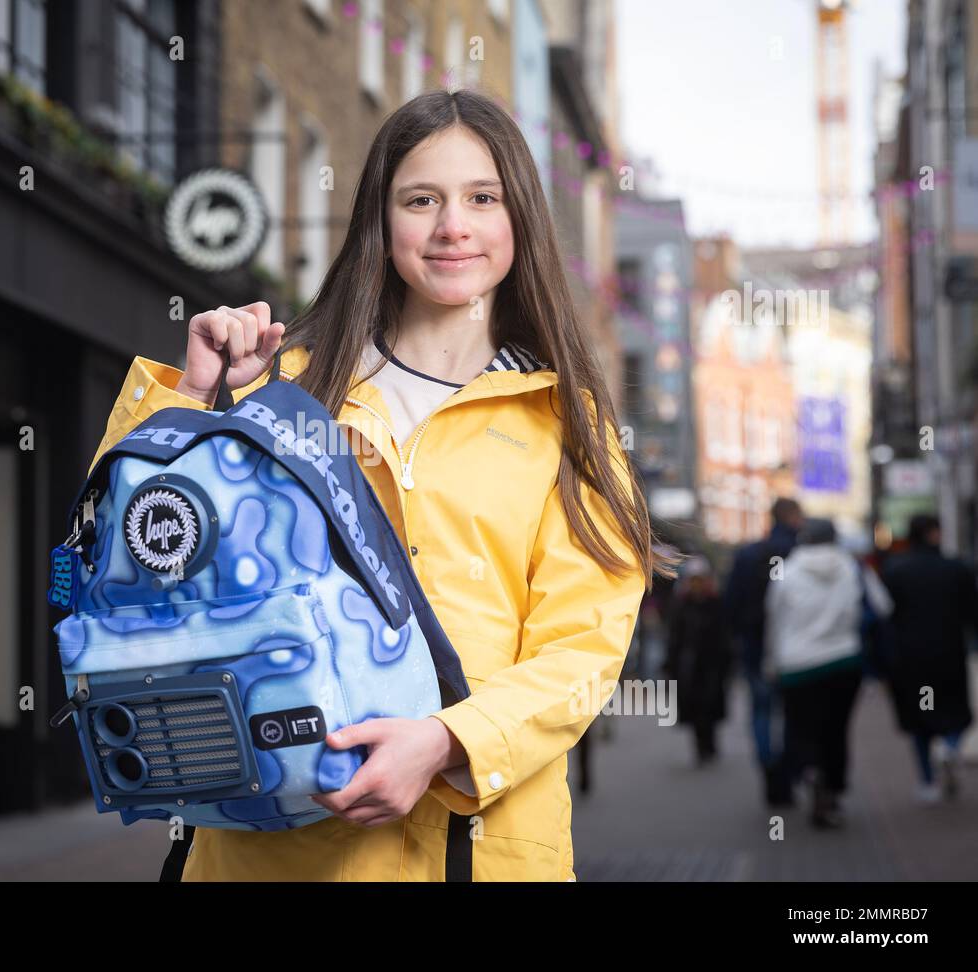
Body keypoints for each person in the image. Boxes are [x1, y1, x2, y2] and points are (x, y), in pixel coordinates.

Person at [85, 89, 680, 880]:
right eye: (421, 199)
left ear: (521, 221)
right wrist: (192, 401)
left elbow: (581, 650)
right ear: (380, 219)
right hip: (274, 848)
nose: (452, 227)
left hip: (475, 851)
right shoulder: (282, 386)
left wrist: (443, 744)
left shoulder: (568, 421)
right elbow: (127, 567)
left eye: (483, 198)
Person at [764, 518, 892, 829]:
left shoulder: (786, 572)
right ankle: (833, 791)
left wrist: (771, 662)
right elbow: (883, 607)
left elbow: (774, 618)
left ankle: (810, 771)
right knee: (836, 729)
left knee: (801, 727)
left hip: (797, 666)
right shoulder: (853, 568)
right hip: (843, 661)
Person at [879, 514, 978, 803]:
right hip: (948, 655)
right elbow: (972, 613)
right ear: (934, 534)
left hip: (911, 660)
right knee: (956, 713)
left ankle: (927, 781)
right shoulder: (955, 569)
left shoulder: (895, 570)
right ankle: (949, 746)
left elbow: (885, 617)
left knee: (920, 719)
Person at [723, 498, 804, 805]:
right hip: (794, 649)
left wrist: (738, 638)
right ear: (794, 517)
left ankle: (768, 765)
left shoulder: (747, 554)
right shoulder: (799, 554)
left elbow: (730, 603)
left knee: (760, 710)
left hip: (755, 646)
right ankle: (788, 771)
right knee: (792, 713)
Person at [662, 555, 731, 765]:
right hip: (689, 666)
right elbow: (674, 637)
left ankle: (710, 742)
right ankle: (700, 745)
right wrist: (670, 664)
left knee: (710, 705)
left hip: (712, 665)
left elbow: (724, 636)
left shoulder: (716, 603)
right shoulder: (681, 605)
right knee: (694, 706)